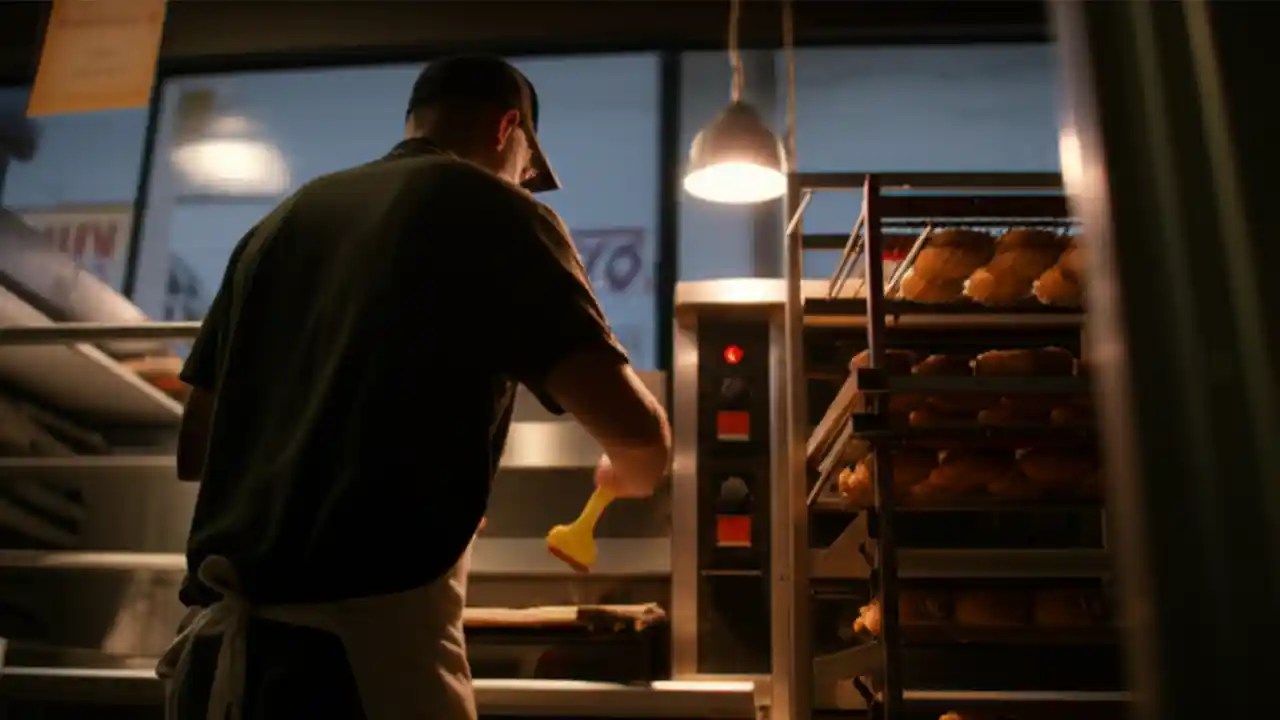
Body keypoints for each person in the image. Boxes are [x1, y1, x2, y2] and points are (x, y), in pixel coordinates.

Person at [159, 55, 672, 720]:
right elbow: (636, 434)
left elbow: (198, 448)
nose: (524, 184)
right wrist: (633, 473)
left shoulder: (280, 224)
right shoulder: (496, 211)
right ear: (507, 129)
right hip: (355, 670)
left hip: (218, 672)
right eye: (527, 170)